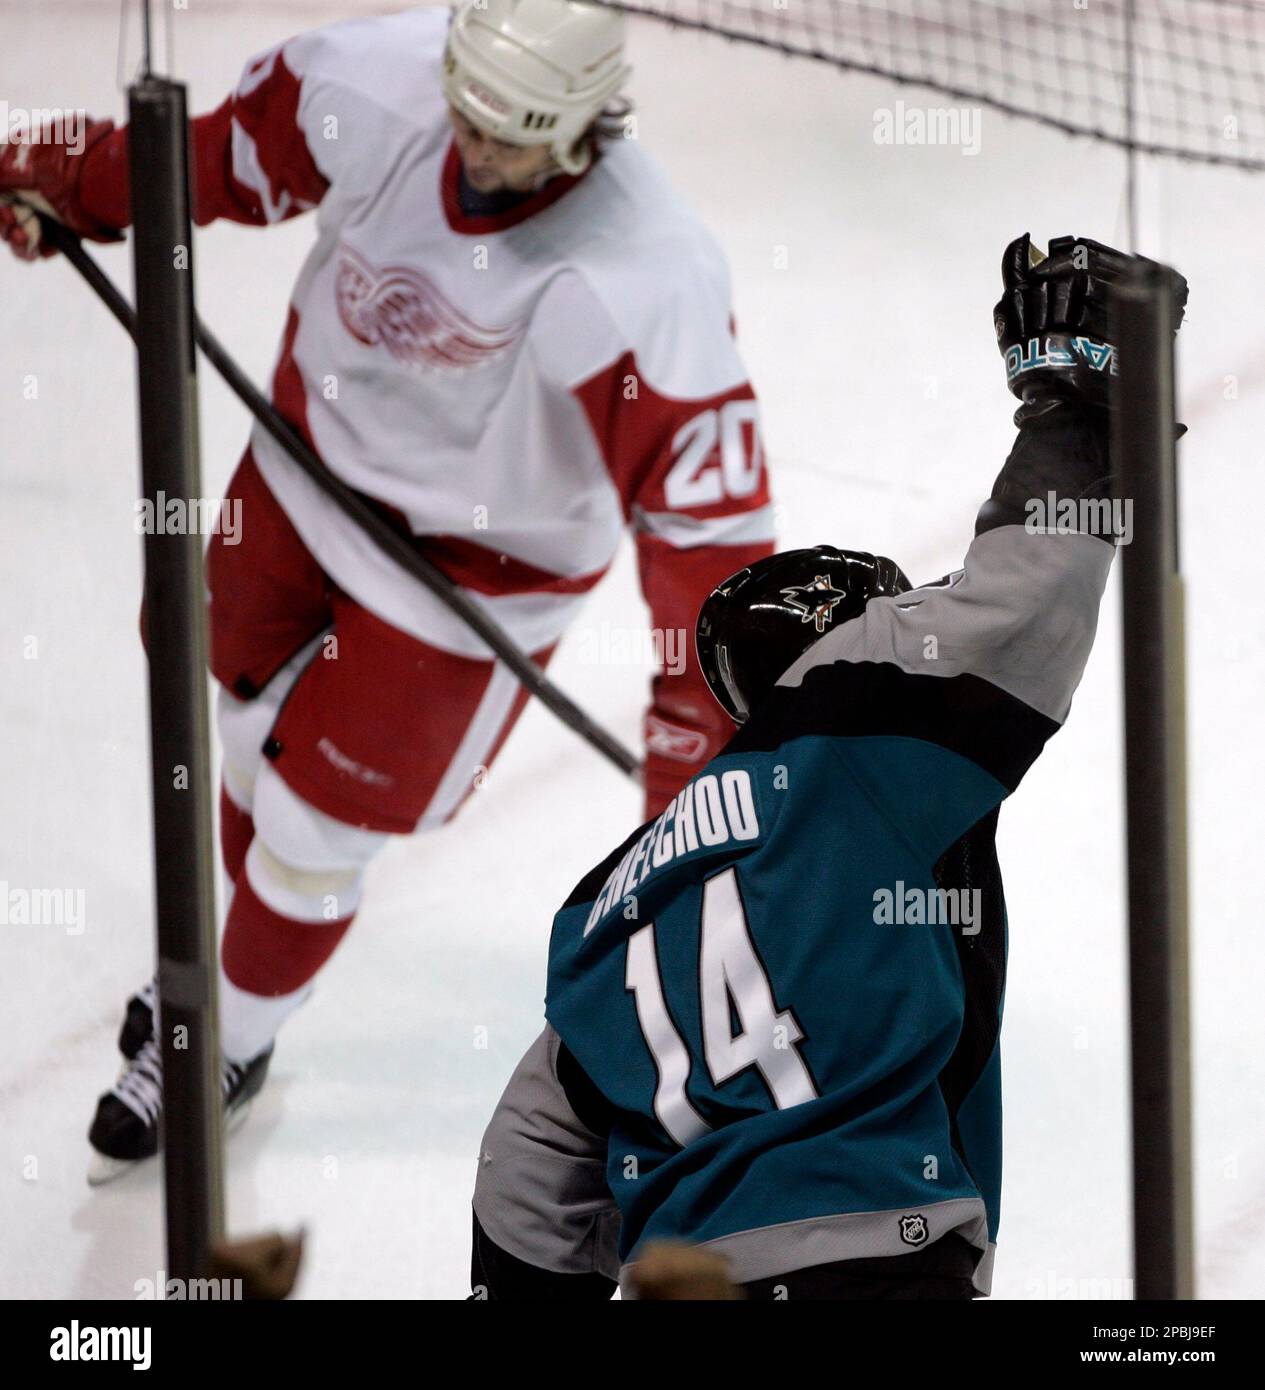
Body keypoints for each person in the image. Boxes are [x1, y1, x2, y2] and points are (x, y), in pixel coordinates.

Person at [0, 0, 775, 1180]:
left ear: (584, 128)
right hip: (306, 465)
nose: (474, 151)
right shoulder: (370, 81)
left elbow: (706, 539)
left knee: (316, 832)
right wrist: (70, 178)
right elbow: (217, 157)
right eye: (466, 112)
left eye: (512, 139)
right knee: (242, 732)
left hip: (472, 574)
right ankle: (233, 970)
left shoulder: (644, 276)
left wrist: (697, 734)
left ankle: (227, 1039)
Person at [468, 235, 1187, 1299]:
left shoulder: (612, 896)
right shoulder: (851, 723)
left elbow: (528, 1154)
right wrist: (1071, 405)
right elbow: (1014, 606)